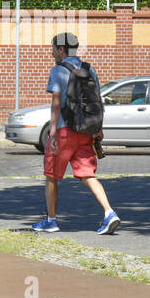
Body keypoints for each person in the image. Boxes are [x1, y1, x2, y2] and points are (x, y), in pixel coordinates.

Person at [32, 32, 121, 235]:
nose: (52, 53)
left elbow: (56, 102)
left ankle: (51, 221)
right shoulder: (90, 70)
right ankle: (109, 212)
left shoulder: (58, 70)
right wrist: (98, 129)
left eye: (53, 49)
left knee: (51, 176)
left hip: (64, 131)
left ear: (61, 50)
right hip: (86, 131)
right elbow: (97, 101)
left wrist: (52, 133)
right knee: (87, 174)